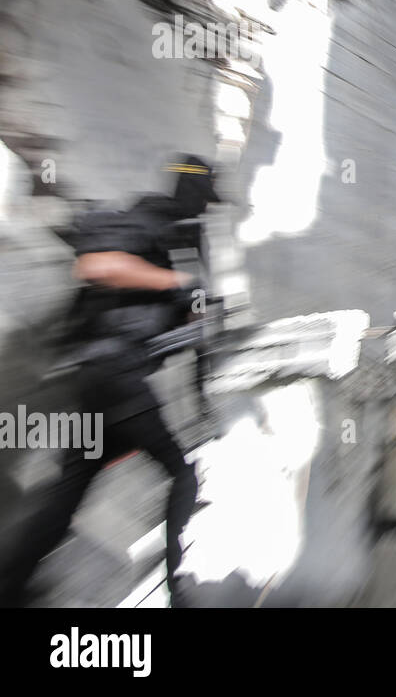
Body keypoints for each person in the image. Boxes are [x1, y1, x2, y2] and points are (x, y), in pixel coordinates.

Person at [0, 155, 220, 606]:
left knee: (66, 499)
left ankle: (10, 586)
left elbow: (177, 331)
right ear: (187, 190)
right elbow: (97, 267)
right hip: (113, 377)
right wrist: (177, 282)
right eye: (200, 196)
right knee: (181, 476)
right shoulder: (145, 218)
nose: (203, 208)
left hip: (108, 386)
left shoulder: (181, 240)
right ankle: (180, 590)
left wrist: (197, 323)